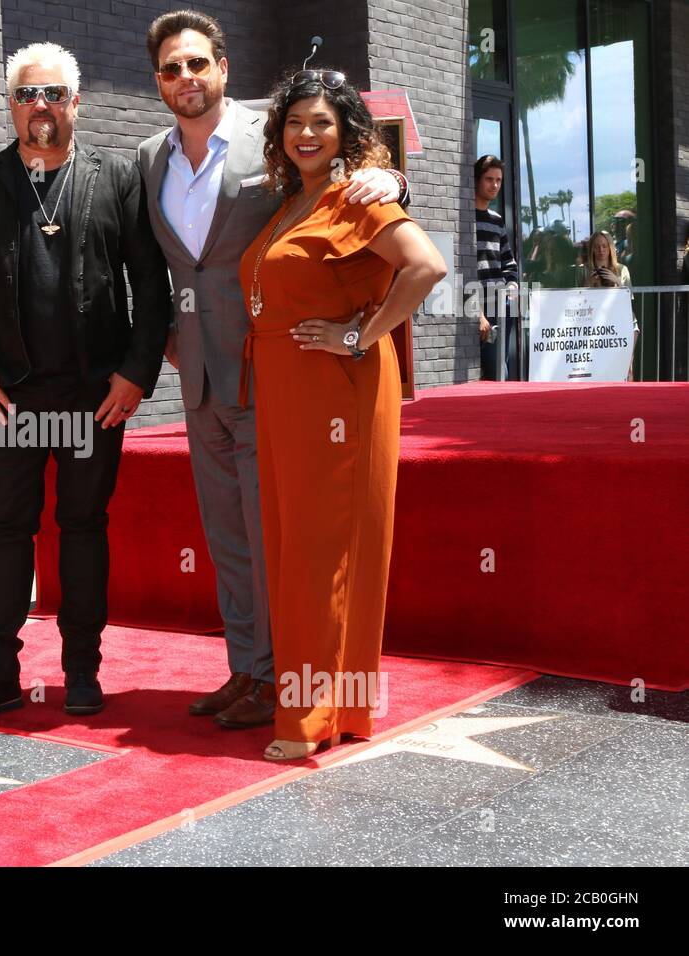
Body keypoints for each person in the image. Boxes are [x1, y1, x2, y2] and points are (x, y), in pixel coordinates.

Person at [137, 11, 407, 730]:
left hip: (277, 372)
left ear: (224, 68)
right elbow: (157, 265)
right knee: (229, 538)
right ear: (158, 81)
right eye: (171, 68)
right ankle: (250, 669)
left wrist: (388, 182)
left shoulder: (276, 132)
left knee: (277, 540)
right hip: (198, 376)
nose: (185, 78)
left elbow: (340, 167)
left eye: (198, 64)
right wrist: (167, 334)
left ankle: (293, 682)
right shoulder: (148, 159)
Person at [0, 42, 171, 723]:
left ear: (77, 103)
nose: (40, 106)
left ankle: (80, 672)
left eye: (53, 94)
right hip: (9, 399)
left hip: (93, 396)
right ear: (11, 107)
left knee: (82, 528)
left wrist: (133, 374)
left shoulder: (119, 176)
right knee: (7, 531)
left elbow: (150, 287)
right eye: (26, 95)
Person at [238, 68, 446, 760]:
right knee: (296, 545)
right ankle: (335, 704)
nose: (306, 134)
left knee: (323, 549)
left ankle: (310, 716)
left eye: (321, 123)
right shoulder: (292, 201)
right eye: (295, 122)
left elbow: (426, 266)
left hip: (337, 392)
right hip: (287, 395)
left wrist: (360, 333)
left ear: (346, 133)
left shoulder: (358, 197)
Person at [472, 154, 520, 380]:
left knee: (502, 368)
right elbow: (464, 268)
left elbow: (509, 261)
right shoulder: (465, 218)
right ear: (477, 180)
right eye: (489, 179)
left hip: (503, 305)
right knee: (495, 371)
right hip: (479, 305)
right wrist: (478, 314)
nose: (495, 185)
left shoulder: (496, 220)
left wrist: (512, 285)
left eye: (499, 180)